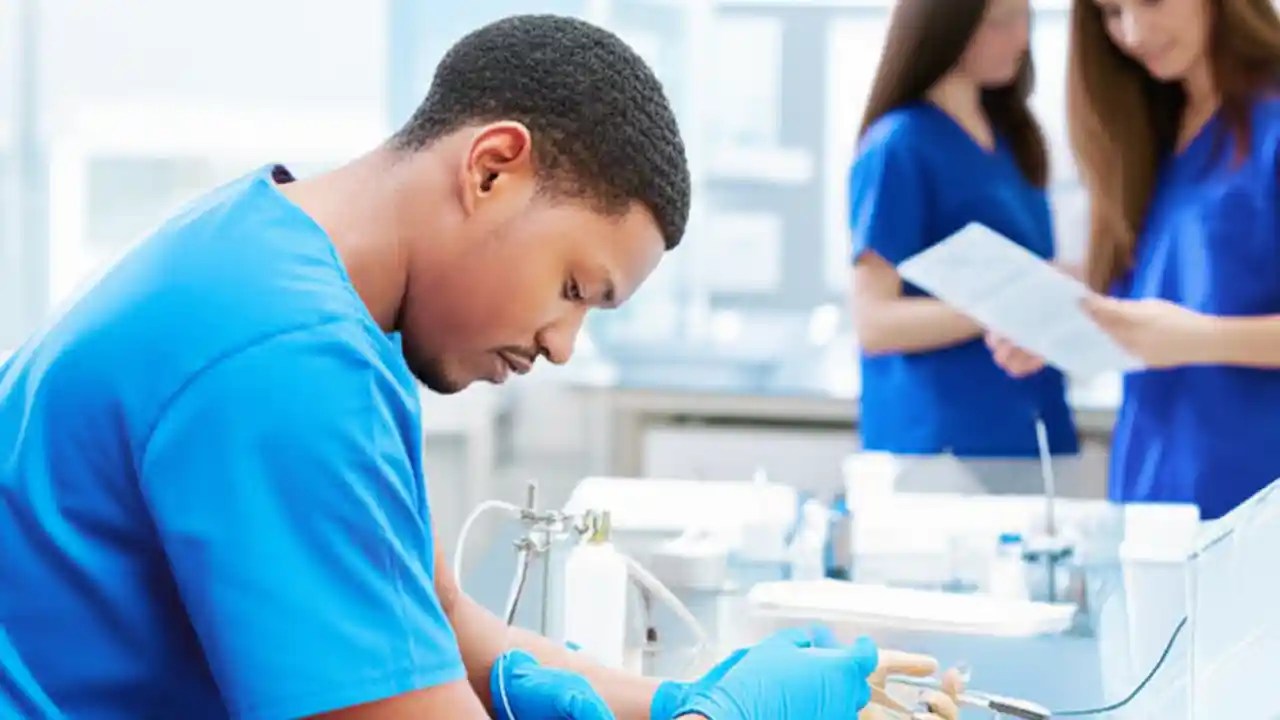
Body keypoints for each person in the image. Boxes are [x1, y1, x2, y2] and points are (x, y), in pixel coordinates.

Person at [0, 14, 956, 720]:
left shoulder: (280, 264)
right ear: (493, 167)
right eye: (576, 288)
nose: (561, 344)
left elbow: (440, 619)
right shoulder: (286, 360)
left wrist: (675, 697)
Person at [990, 0, 1280, 520]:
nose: (1133, 31)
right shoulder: (1151, 132)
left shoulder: (1270, 121)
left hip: (1255, 511)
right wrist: (1061, 314)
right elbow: (1162, 293)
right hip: (1154, 499)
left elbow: (1184, 323)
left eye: (1151, 1)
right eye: (1111, 12)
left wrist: (1196, 339)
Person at [847, 0, 1080, 459]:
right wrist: (1013, 298)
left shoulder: (1013, 140)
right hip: (939, 444)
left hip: (1031, 431)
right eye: (1000, 24)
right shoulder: (899, 146)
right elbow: (875, 322)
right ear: (946, 27)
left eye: (1024, 20)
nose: (1021, 40)